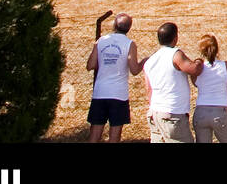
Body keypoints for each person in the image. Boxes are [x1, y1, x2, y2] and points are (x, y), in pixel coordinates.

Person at [85, 12, 142, 142]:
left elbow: (90, 65)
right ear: (129, 28)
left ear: (114, 25)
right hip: (118, 94)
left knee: (94, 135)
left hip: (100, 92)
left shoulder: (101, 41)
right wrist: (143, 62)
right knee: (114, 136)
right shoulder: (129, 44)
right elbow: (134, 70)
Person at [143, 22, 204, 143]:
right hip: (172, 114)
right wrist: (198, 61)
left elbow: (148, 89)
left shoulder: (150, 60)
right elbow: (194, 70)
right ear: (175, 38)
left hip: (155, 113)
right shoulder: (175, 55)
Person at [192, 34, 227, 143]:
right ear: (217, 48)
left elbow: (195, 83)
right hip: (219, 111)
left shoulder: (199, 68)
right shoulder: (226, 66)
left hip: (201, 111)